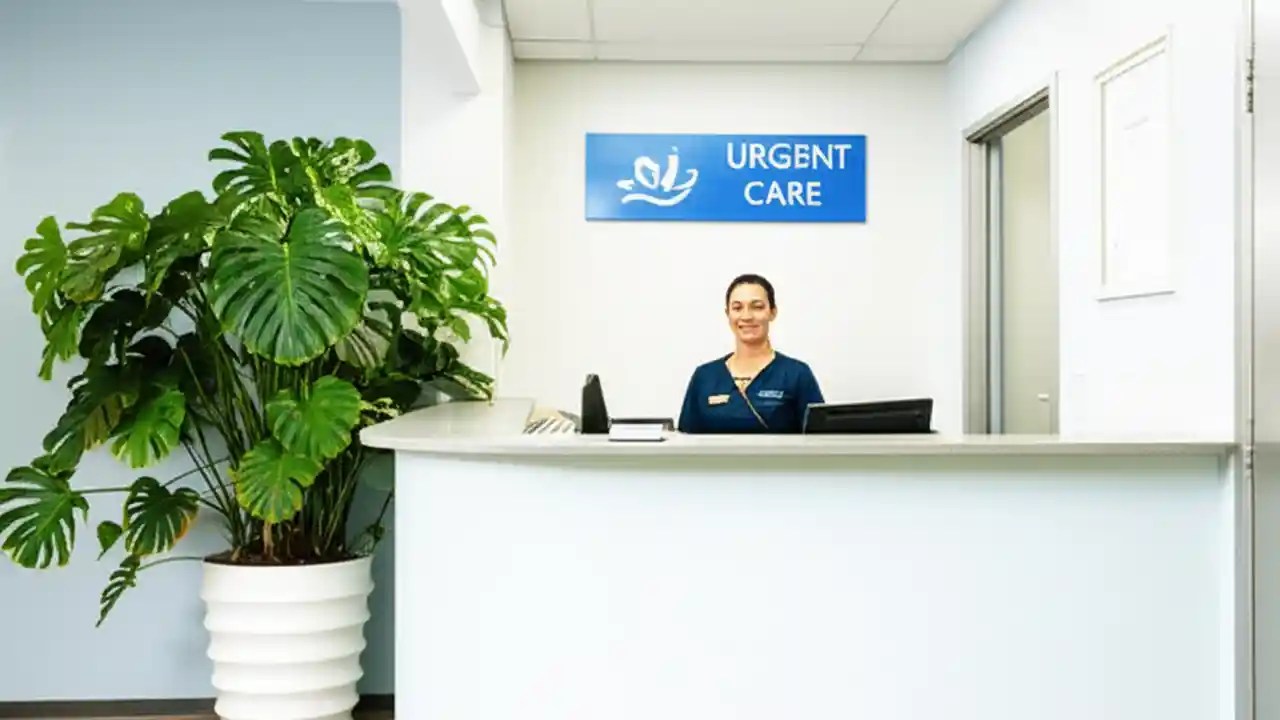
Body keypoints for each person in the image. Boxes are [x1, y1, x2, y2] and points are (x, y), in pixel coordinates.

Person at [678, 273, 825, 434]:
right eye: (737, 308)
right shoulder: (705, 377)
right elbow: (684, 444)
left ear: (773, 312)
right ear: (728, 314)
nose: (747, 316)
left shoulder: (797, 374)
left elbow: (820, 442)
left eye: (757, 307)